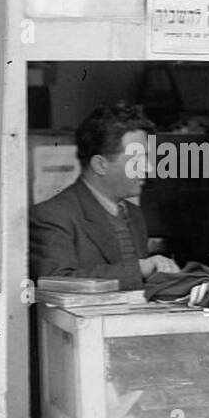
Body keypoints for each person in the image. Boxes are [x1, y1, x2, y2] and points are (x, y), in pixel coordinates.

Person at [29, 103, 180, 288]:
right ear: (100, 165)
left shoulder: (134, 214)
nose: (148, 168)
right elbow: (54, 281)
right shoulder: (51, 216)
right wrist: (138, 269)